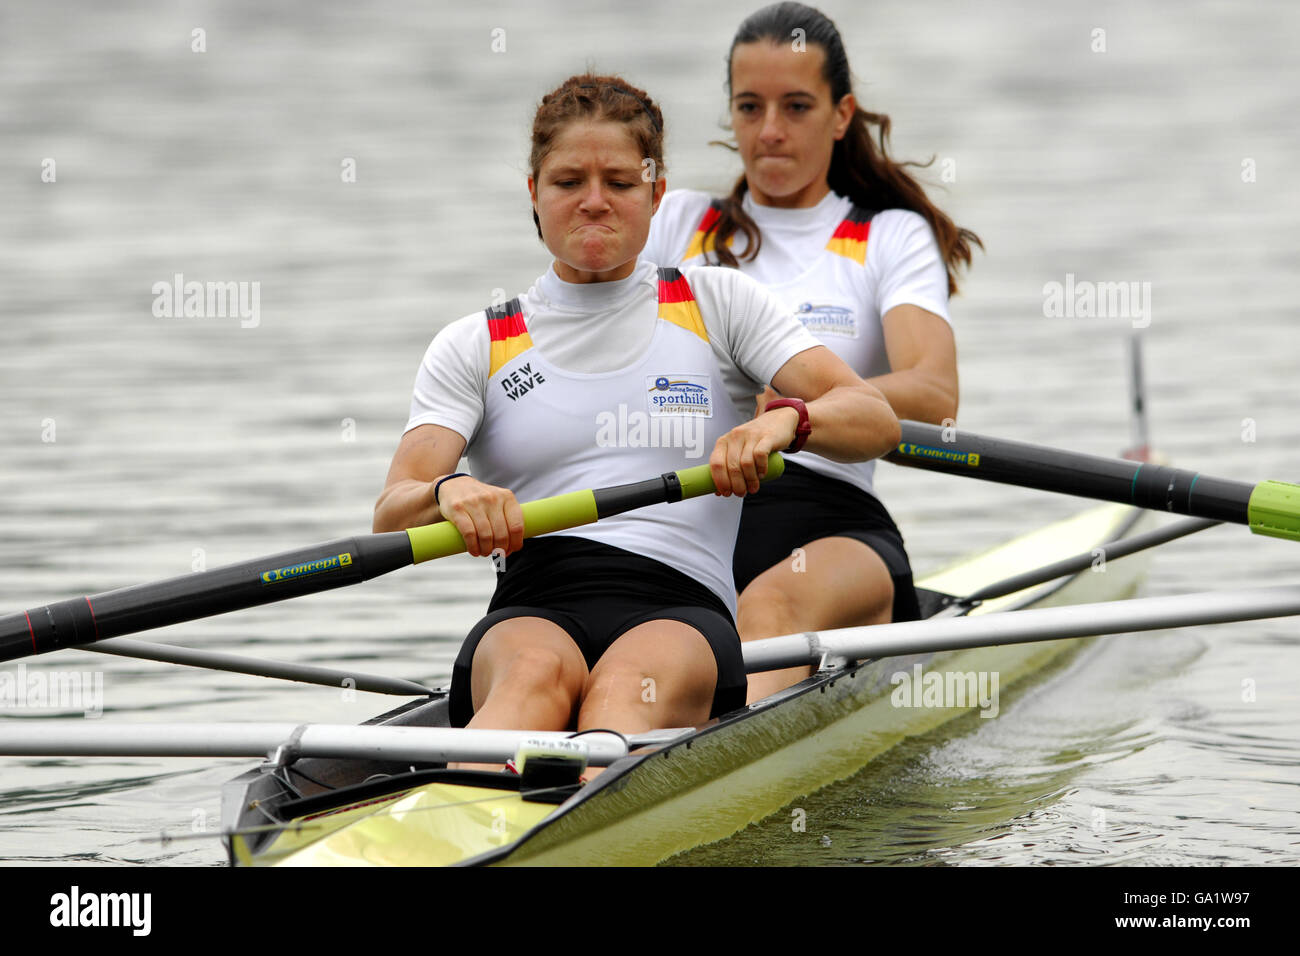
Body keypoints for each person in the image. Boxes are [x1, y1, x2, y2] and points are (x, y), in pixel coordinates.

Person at [373, 74, 899, 746]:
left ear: (656, 193)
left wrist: (787, 421)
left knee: (623, 692)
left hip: (678, 607)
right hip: (533, 606)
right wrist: (450, 492)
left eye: (619, 182)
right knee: (531, 678)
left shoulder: (718, 305)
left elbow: (873, 417)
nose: (594, 203)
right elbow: (392, 515)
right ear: (534, 193)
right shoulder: (474, 343)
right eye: (568, 183)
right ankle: (450, 826)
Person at [643, 2, 981, 703]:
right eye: (748, 107)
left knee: (767, 612)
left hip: (829, 519)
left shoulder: (886, 235)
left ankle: (720, 772)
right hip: (694, 509)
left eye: (796, 106)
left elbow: (932, 392)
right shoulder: (677, 222)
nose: (769, 132)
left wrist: (793, 408)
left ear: (840, 114)